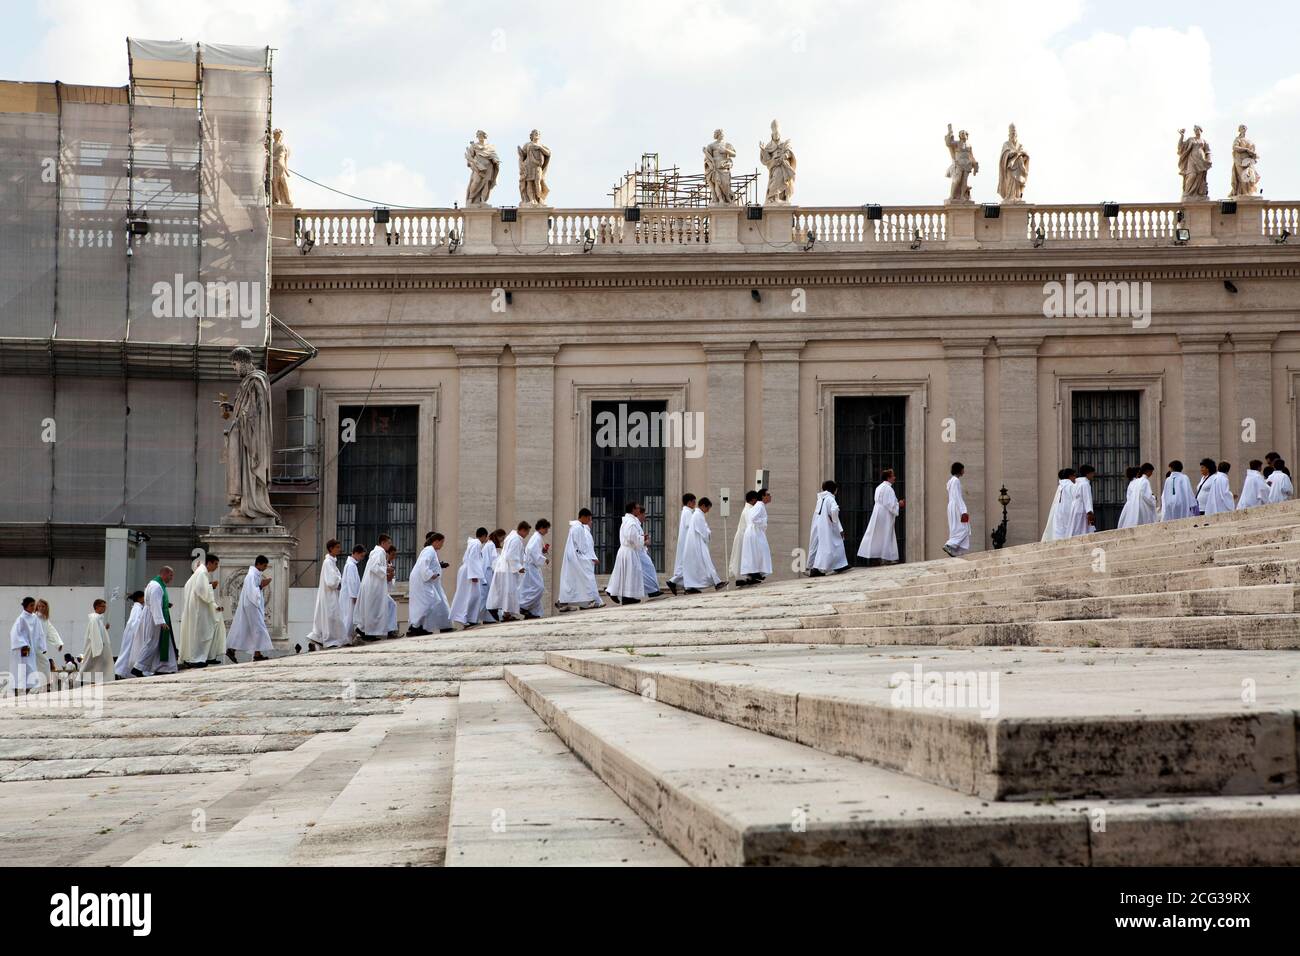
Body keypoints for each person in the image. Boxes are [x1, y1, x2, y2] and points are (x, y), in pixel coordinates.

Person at [179, 554, 226, 666]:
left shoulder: (200, 572)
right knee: (201, 633)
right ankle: (197, 659)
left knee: (212, 628)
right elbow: (201, 590)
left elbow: (192, 587)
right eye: (215, 564)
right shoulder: (202, 573)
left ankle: (208, 656)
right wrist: (211, 587)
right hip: (200, 609)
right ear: (209, 563)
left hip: (199, 606)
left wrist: (209, 587)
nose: (216, 567)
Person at [226, 556, 273, 662]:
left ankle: (233, 649)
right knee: (258, 629)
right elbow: (252, 593)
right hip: (251, 606)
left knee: (244, 629)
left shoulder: (255, 575)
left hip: (251, 606)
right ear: (259, 564)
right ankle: (257, 653)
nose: (265, 568)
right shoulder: (251, 575)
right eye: (264, 565)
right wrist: (261, 585)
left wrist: (261, 585)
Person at [132, 567, 177, 677]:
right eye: (171, 575)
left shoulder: (154, 583)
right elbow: (155, 604)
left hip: (153, 614)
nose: (172, 578)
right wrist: (161, 621)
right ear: (165, 574)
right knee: (152, 642)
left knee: (158, 643)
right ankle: (138, 667)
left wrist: (166, 605)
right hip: (154, 617)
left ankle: (164, 667)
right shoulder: (157, 586)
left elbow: (156, 601)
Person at [306, 540, 349, 651]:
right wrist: (339, 580)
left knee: (332, 617)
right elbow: (331, 581)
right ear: (331, 548)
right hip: (329, 595)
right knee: (331, 616)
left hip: (332, 594)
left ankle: (332, 639)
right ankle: (330, 640)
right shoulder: (328, 562)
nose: (339, 549)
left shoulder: (332, 562)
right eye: (337, 547)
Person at [558, 510, 603, 611]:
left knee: (571, 580)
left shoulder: (576, 527)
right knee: (587, 576)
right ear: (583, 517)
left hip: (573, 556)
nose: (589, 521)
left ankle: (564, 601)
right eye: (588, 518)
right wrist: (589, 558)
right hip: (577, 556)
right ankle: (590, 601)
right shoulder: (578, 528)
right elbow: (582, 546)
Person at [409, 532, 453, 635]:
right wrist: (430, 574)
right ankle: (415, 627)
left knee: (431, 602)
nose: (442, 545)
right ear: (436, 541)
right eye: (442, 542)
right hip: (421, 580)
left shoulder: (431, 550)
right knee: (427, 603)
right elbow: (423, 564)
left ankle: (419, 627)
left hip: (425, 581)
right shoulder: (429, 550)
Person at [858, 469, 904, 564]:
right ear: (888, 477)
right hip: (885, 515)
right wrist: (899, 504)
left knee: (878, 535)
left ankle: (880, 556)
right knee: (886, 534)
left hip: (878, 513)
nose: (894, 478)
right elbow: (889, 504)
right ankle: (887, 557)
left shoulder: (879, 487)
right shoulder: (888, 489)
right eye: (893, 476)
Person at [487, 522, 530, 621]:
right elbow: (511, 556)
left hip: (504, 568)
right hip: (508, 569)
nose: (527, 535)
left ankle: (506, 614)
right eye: (527, 532)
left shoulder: (512, 537)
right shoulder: (515, 540)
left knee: (506, 592)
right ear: (522, 530)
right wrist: (519, 567)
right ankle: (501, 612)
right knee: (509, 592)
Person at [606, 504, 648, 605]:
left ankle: (626, 595)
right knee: (629, 573)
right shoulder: (631, 522)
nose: (639, 510)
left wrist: (641, 538)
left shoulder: (627, 521)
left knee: (625, 574)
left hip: (627, 550)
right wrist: (643, 538)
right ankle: (626, 597)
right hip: (629, 551)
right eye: (637, 508)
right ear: (633, 510)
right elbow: (631, 538)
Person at [354, 535, 394, 641]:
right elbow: (374, 567)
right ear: (383, 542)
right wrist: (387, 569)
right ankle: (367, 632)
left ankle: (363, 629)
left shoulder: (378, 552)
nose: (390, 545)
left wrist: (386, 568)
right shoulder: (379, 552)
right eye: (389, 543)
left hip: (374, 585)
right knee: (373, 609)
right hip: (373, 586)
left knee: (371, 609)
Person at [683, 497, 727, 593]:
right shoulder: (698, 515)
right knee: (706, 563)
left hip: (697, 543)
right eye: (707, 508)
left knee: (701, 565)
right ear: (703, 506)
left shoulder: (698, 514)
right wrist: (709, 533)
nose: (708, 511)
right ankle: (716, 583)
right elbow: (703, 531)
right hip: (698, 544)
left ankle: (715, 582)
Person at [807, 480, 849, 576]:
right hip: (829, 528)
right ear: (834, 489)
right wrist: (834, 521)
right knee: (835, 545)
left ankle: (820, 567)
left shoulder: (821, 499)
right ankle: (835, 566)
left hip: (820, 527)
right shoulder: (830, 499)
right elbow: (834, 510)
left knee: (824, 547)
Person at [450, 529, 488, 627]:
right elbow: (473, 559)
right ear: (483, 536)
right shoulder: (476, 544)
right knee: (469, 596)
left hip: (469, 571)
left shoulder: (475, 544)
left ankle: (471, 618)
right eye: (486, 537)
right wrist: (474, 575)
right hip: (469, 572)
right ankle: (463, 618)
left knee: (475, 595)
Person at [8, 597, 44, 694]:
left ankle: (28, 689)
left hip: (30, 649)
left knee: (30, 668)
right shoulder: (21, 618)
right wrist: (23, 644)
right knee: (20, 669)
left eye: (34, 605)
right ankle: (16, 690)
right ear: (26, 606)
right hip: (21, 649)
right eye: (31, 605)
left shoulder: (35, 618)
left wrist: (42, 646)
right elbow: (14, 633)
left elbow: (40, 632)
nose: (33, 607)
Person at [738, 489, 772, 586]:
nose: (770, 496)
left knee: (756, 553)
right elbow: (753, 518)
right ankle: (755, 572)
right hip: (754, 531)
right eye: (768, 495)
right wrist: (762, 523)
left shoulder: (759, 506)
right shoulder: (759, 506)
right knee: (758, 552)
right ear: (762, 496)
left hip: (755, 532)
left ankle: (756, 572)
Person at [666, 493, 697, 596]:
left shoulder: (687, 511)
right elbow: (691, 526)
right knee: (686, 563)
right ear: (689, 502)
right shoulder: (688, 512)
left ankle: (688, 586)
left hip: (686, 541)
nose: (695, 504)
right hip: (687, 542)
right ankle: (673, 581)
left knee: (687, 563)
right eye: (693, 502)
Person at [519, 520, 551, 619]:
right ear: (541, 528)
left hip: (533, 566)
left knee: (532, 588)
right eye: (546, 529)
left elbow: (535, 551)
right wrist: (544, 559)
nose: (547, 531)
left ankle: (533, 612)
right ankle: (523, 605)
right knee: (538, 588)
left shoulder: (537, 537)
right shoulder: (536, 538)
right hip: (531, 566)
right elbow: (532, 551)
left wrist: (542, 551)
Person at [78, 599, 114, 684]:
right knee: (91, 665)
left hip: (98, 646)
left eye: (105, 607)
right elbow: (95, 634)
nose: (105, 608)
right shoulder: (95, 618)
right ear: (97, 607)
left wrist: (105, 628)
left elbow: (99, 632)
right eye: (103, 606)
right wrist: (98, 647)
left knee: (95, 666)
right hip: (95, 647)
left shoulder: (98, 619)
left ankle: (95, 681)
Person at [632, 504, 664, 598]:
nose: (645, 517)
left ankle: (652, 590)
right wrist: (645, 541)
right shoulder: (633, 524)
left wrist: (643, 538)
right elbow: (635, 539)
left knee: (648, 570)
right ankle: (652, 590)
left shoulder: (637, 524)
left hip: (641, 551)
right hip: (638, 552)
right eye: (644, 514)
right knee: (647, 570)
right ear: (639, 514)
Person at [114, 591, 146, 680]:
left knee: (128, 653)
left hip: (131, 633)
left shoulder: (138, 607)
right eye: (143, 597)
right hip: (133, 633)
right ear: (140, 598)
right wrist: (138, 634)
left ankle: (123, 671)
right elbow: (135, 622)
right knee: (127, 652)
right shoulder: (137, 608)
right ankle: (118, 671)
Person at [33, 599, 63, 691]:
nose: (41, 608)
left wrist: (58, 643)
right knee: (42, 664)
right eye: (39, 606)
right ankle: (42, 685)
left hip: (41, 647)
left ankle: (42, 685)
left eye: (43, 606)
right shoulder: (33, 617)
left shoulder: (45, 620)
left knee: (43, 665)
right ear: (36, 607)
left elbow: (51, 632)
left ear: (46, 608)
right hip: (33, 646)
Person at [728, 491, 757, 583]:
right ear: (753, 499)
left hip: (744, 536)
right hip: (743, 537)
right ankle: (741, 578)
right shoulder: (748, 510)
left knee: (744, 557)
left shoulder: (749, 508)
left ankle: (747, 577)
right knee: (741, 557)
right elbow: (750, 525)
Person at [942, 462, 970, 557]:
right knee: (964, 529)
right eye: (963, 469)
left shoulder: (951, 481)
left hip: (952, 506)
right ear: (959, 470)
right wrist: (963, 511)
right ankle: (950, 544)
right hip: (957, 506)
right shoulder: (956, 481)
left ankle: (954, 551)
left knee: (955, 528)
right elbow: (957, 497)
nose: (964, 471)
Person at [1118, 464, 1158, 528]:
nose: (1151, 474)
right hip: (1143, 507)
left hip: (1133, 507)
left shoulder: (1136, 481)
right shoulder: (1145, 481)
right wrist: (1154, 498)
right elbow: (1147, 497)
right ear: (1148, 471)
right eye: (1151, 472)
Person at [1042, 468, 1075, 542]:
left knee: (1058, 531)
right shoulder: (1071, 485)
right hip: (1068, 511)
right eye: (1074, 476)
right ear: (1070, 476)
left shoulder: (1060, 486)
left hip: (1058, 512)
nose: (1075, 478)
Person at [340, 544, 365, 642]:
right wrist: (354, 596)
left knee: (350, 617)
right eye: (361, 556)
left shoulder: (351, 565)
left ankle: (348, 637)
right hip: (350, 596)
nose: (362, 558)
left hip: (350, 595)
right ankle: (346, 639)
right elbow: (351, 582)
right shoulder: (351, 566)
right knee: (349, 617)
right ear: (356, 553)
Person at [480, 529, 505, 623]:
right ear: (498, 537)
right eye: (502, 538)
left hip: (487, 572)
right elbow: (495, 560)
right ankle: (491, 615)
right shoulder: (491, 545)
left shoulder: (488, 544)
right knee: (492, 595)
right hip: (488, 573)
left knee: (488, 596)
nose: (502, 540)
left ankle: (489, 618)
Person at [1070, 465, 1096, 536]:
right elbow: (1087, 498)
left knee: (1076, 529)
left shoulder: (1076, 483)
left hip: (1075, 508)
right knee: (1082, 530)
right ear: (1088, 474)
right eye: (1092, 473)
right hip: (1082, 510)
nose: (1093, 475)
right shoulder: (1085, 484)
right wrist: (1090, 512)